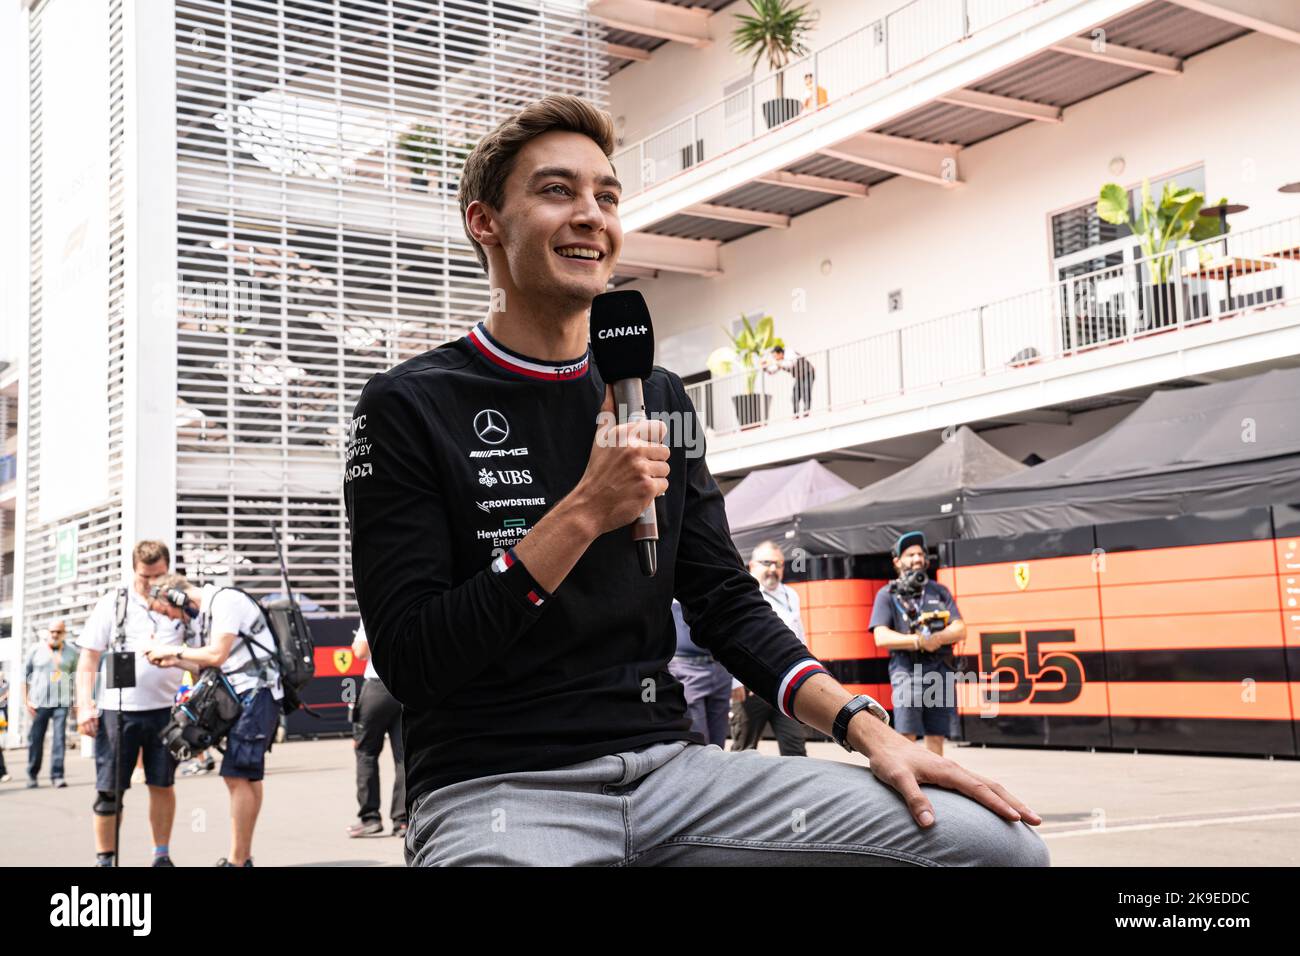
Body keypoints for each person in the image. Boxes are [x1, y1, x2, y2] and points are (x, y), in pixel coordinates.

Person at [345, 93, 1047, 867]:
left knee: (994, 848)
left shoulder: (658, 396)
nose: (592, 215)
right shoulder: (407, 405)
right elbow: (412, 659)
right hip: (497, 790)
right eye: (556, 191)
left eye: (606, 197)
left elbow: (722, 600)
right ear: (485, 222)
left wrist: (866, 728)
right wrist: (584, 511)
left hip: (674, 774)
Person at [144, 573, 283, 868]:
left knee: (237, 775)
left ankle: (236, 861)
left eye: (166, 611)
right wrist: (173, 661)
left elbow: (217, 655)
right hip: (248, 696)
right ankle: (242, 858)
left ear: (176, 597)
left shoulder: (224, 601)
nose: (171, 620)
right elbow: (205, 663)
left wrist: (171, 650)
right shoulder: (205, 614)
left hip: (258, 694)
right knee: (246, 775)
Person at [74, 540, 186, 867]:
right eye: (145, 577)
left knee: (162, 784)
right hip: (118, 710)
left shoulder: (178, 605)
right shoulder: (114, 602)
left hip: (165, 709)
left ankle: (161, 855)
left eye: (159, 576)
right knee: (109, 792)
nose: (152, 584)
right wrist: (85, 705)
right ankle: (105, 858)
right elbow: (89, 656)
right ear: (134, 570)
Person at [869, 531, 967, 757]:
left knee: (936, 736)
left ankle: (935, 787)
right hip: (907, 671)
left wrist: (938, 639)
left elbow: (961, 628)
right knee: (906, 736)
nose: (917, 558)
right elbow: (881, 636)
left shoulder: (939, 590)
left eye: (921, 554)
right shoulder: (887, 594)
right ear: (897, 561)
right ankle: (908, 787)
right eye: (910, 554)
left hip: (940, 669)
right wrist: (917, 641)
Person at [730, 541, 809, 757]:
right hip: (750, 687)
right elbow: (730, 638)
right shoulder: (739, 594)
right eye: (767, 563)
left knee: (795, 749)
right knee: (743, 751)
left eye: (779, 564)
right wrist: (735, 682)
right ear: (752, 566)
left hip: (786, 684)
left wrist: (810, 668)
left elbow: (799, 634)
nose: (773, 569)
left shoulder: (791, 595)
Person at [347, 622, 407, 838]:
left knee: (366, 753)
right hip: (405, 687)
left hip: (378, 686)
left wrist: (356, 643)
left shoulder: (372, 605)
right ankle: (402, 821)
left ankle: (370, 817)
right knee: (403, 756)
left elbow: (362, 651)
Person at [666, 600, 732, 748]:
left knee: (718, 742)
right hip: (686, 667)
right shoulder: (669, 591)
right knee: (698, 740)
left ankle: (716, 771)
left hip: (720, 666)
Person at [24, 620, 79, 788]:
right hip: (39, 702)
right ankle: (32, 775)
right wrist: (26, 700)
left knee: (59, 739)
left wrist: (76, 702)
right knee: (36, 739)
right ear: (48, 632)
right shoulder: (35, 650)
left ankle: (57, 776)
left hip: (61, 702)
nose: (55, 635)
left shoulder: (72, 652)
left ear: (64, 633)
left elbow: (76, 679)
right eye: (53, 631)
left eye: (59, 632)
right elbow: (23, 676)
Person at [765, 345, 816, 417]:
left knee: (806, 392)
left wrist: (778, 363)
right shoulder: (780, 361)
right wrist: (765, 368)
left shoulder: (789, 353)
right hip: (799, 377)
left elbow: (791, 364)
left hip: (808, 373)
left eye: (775, 356)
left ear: (780, 353)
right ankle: (796, 414)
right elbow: (772, 371)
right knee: (795, 396)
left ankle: (806, 412)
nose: (775, 358)